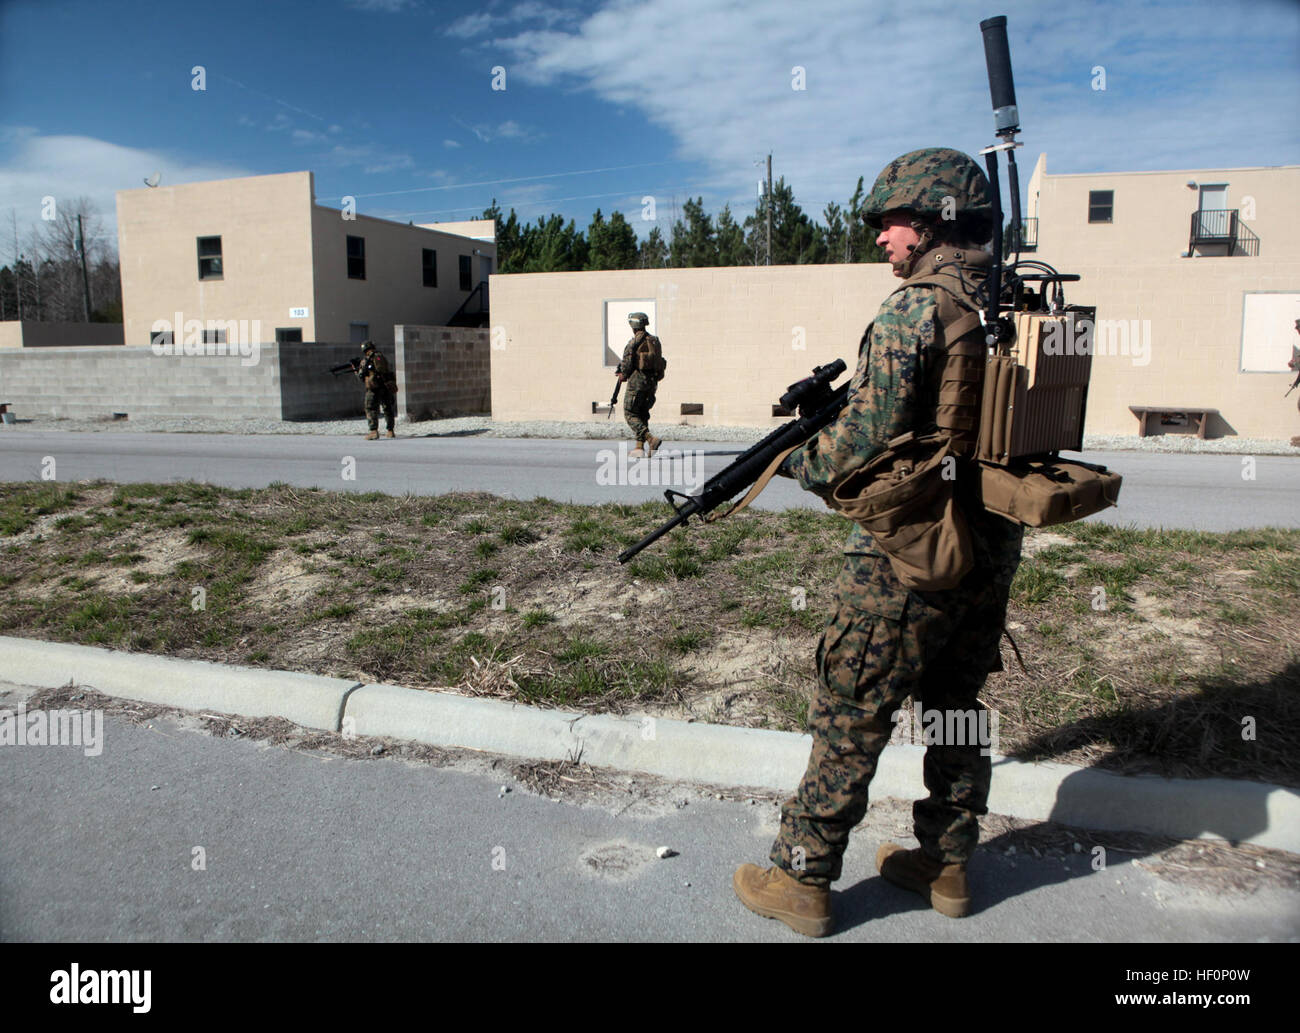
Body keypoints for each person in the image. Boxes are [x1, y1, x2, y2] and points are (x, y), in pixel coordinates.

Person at [732, 147, 1026, 937]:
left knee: (851, 705)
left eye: (889, 222)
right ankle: (948, 861)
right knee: (957, 703)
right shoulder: (1006, 296)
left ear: (933, 220)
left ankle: (802, 875)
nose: (880, 239)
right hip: (990, 539)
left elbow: (865, 435)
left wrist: (800, 459)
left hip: (912, 549)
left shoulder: (915, 308)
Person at [617, 312, 665, 457]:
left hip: (637, 382)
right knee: (642, 413)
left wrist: (623, 375)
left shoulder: (634, 342)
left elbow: (627, 364)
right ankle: (639, 448)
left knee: (630, 412)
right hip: (651, 382)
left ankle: (651, 439)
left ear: (633, 325)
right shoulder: (654, 341)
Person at [356, 340, 396, 439]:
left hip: (374, 387)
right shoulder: (381, 356)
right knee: (387, 408)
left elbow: (361, 376)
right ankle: (390, 431)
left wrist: (357, 371)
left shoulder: (367, 359)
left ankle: (373, 431)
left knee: (370, 408)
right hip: (386, 385)